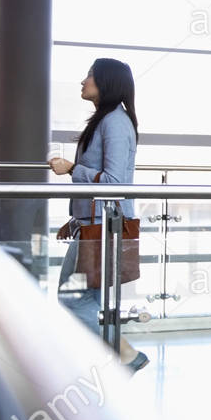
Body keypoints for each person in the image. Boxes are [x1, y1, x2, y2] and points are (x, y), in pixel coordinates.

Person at [47, 58, 149, 373]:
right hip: (94, 224)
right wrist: (76, 219)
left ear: (106, 82)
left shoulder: (115, 123)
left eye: (89, 75)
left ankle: (124, 356)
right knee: (83, 297)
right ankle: (116, 358)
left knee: (73, 298)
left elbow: (115, 184)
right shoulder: (106, 120)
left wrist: (73, 169)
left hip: (105, 225)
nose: (83, 81)